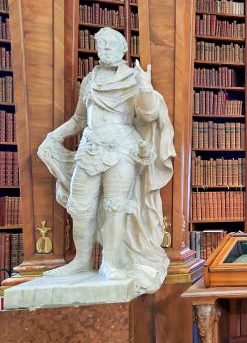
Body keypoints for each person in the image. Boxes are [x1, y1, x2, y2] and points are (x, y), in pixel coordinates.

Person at [37, 27, 174, 293]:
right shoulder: (89, 80)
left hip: (121, 147)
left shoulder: (134, 79)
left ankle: (111, 262)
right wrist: (53, 136)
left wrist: (145, 89)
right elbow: (78, 119)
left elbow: (147, 115)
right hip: (90, 147)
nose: (104, 49)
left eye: (110, 45)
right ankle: (82, 260)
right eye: (100, 45)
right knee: (80, 206)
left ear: (124, 48)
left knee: (115, 206)